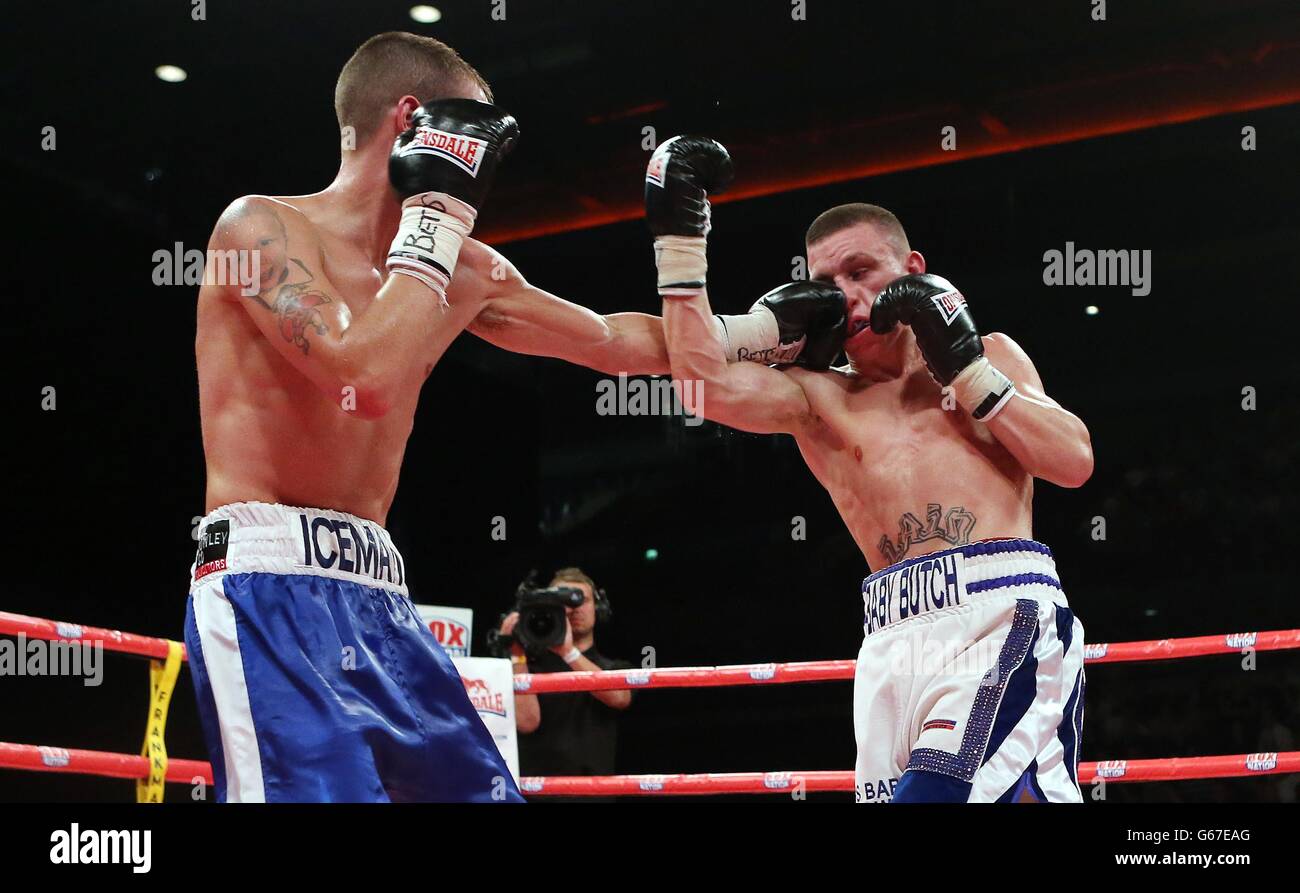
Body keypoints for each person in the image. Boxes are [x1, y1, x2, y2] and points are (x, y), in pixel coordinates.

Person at [186, 32, 671, 803]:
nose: (486, 170)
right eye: (474, 133)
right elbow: (364, 377)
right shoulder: (257, 230)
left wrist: (755, 331)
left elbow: (615, 342)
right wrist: (437, 214)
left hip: (380, 595)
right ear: (417, 121)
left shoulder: (464, 267)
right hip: (269, 592)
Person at [646, 136, 1092, 803]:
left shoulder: (992, 353)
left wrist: (969, 372)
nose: (847, 296)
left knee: (937, 793)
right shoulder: (819, 395)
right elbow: (699, 383)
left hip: (1001, 614)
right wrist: (680, 238)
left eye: (861, 271)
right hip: (890, 639)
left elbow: (1074, 461)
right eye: (826, 285)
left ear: (912, 266)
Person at [500, 569, 633, 797]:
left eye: (582, 599)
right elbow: (527, 722)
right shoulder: (527, 667)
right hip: (535, 794)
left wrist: (568, 652)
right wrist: (516, 653)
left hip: (592, 797)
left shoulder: (615, 668)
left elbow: (619, 697)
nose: (575, 608)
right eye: (564, 601)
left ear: (597, 608)